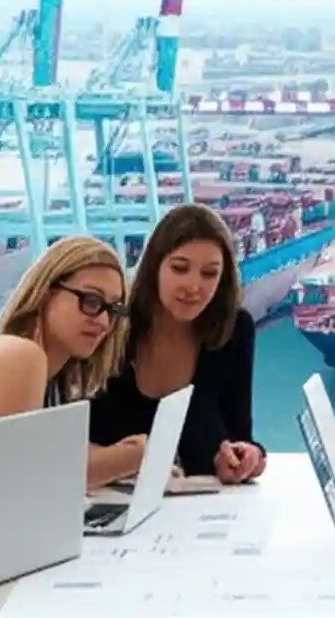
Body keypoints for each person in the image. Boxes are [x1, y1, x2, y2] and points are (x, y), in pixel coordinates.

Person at [0, 235, 141, 488]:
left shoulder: (55, 378)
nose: (103, 322)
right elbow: (19, 484)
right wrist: (130, 458)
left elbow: (49, 463)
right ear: (45, 293)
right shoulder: (20, 356)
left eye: (113, 310)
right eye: (91, 301)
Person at [89, 204, 264, 484]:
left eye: (209, 273)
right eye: (180, 268)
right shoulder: (109, 325)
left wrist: (244, 457)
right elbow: (68, 446)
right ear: (154, 266)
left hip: (203, 506)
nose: (194, 286)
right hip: (108, 505)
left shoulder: (234, 330)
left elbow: (240, 435)